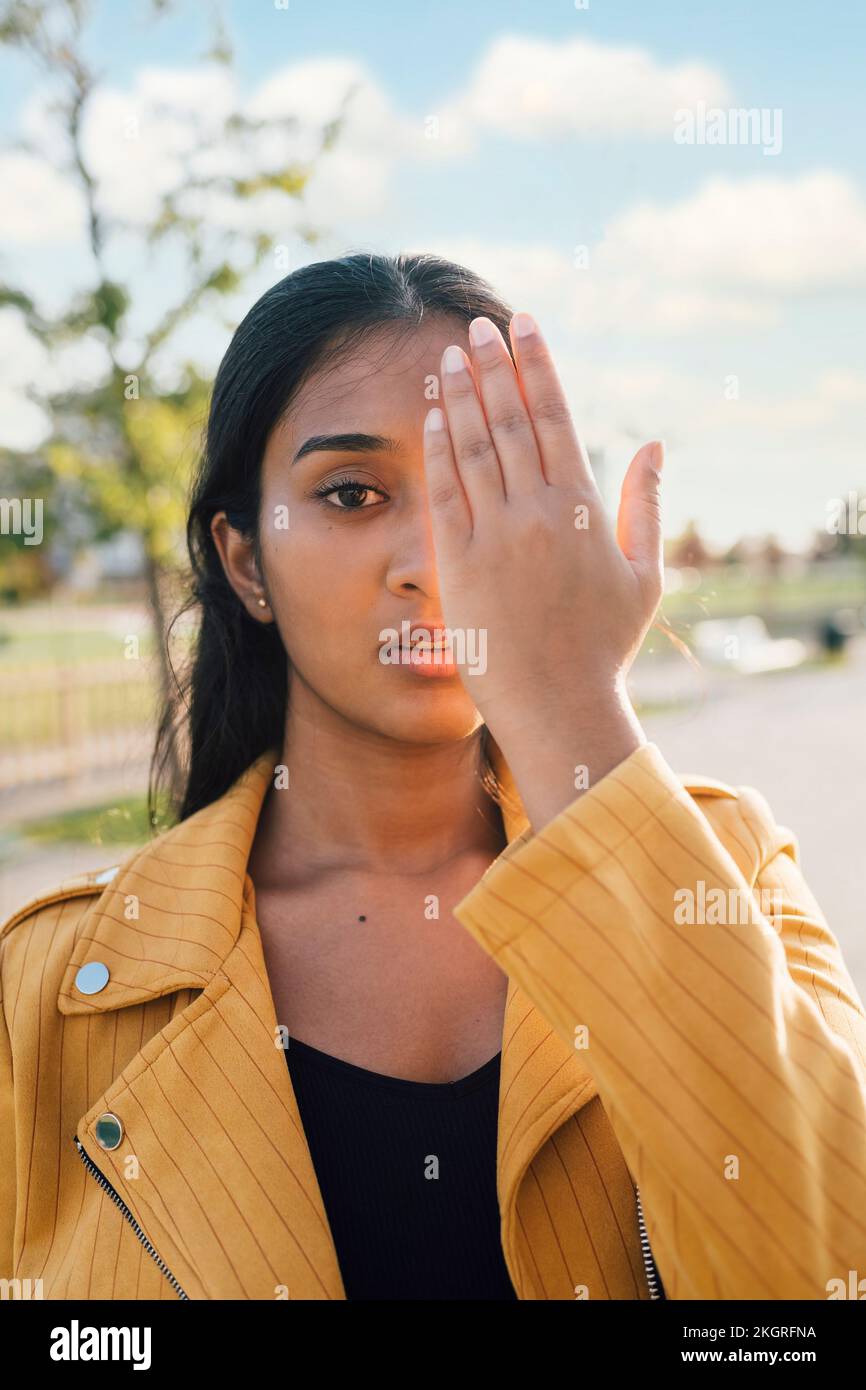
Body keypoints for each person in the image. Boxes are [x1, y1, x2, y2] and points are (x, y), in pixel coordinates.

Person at [2, 252, 865, 1302]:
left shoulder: (728, 875)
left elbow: (822, 1281)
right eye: (353, 493)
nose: (434, 560)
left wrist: (571, 713)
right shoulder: (43, 997)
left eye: (477, 487)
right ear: (243, 563)